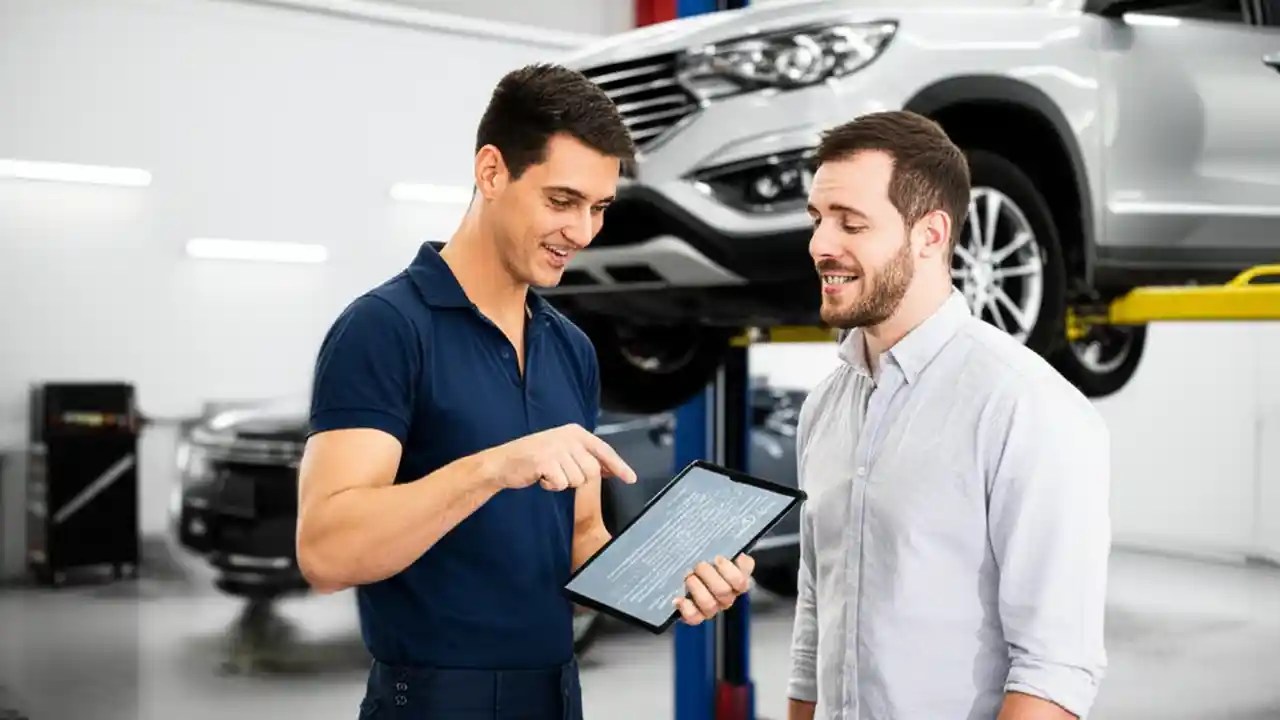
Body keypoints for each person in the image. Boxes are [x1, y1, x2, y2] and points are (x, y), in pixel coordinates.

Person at [295, 63, 755, 720]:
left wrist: (670, 580)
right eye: (562, 201)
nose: (583, 232)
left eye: (599, 208)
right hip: (433, 699)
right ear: (491, 172)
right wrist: (493, 467)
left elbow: (584, 538)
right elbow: (327, 550)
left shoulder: (570, 348)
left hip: (557, 692)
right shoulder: (384, 328)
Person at [786, 110, 1111, 720]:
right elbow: (815, 620)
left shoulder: (1026, 407)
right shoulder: (825, 407)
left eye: (851, 223)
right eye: (818, 220)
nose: (820, 246)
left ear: (930, 234)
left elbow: (1054, 670)